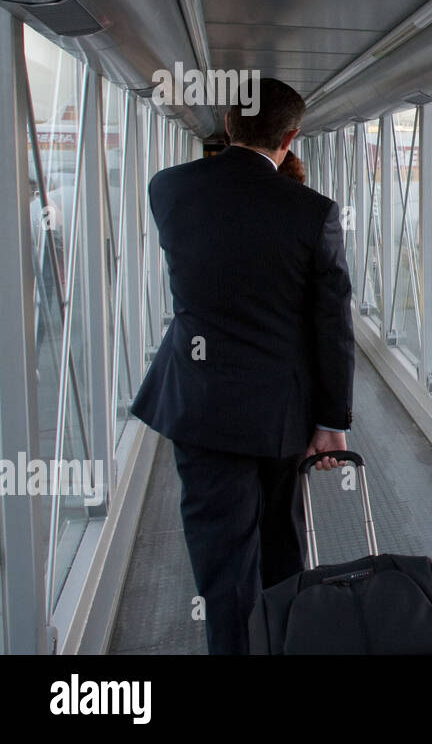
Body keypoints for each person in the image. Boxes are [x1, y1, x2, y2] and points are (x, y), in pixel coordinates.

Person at [130, 77, 354, 654]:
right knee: (280, 543)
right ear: (292, 136)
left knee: (222, 562)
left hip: (198, 406)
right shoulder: (314, 213)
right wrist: (331, 421)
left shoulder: (168, 189)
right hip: (280, 413)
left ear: (229, 125)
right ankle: (284, 642)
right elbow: (331, 327)